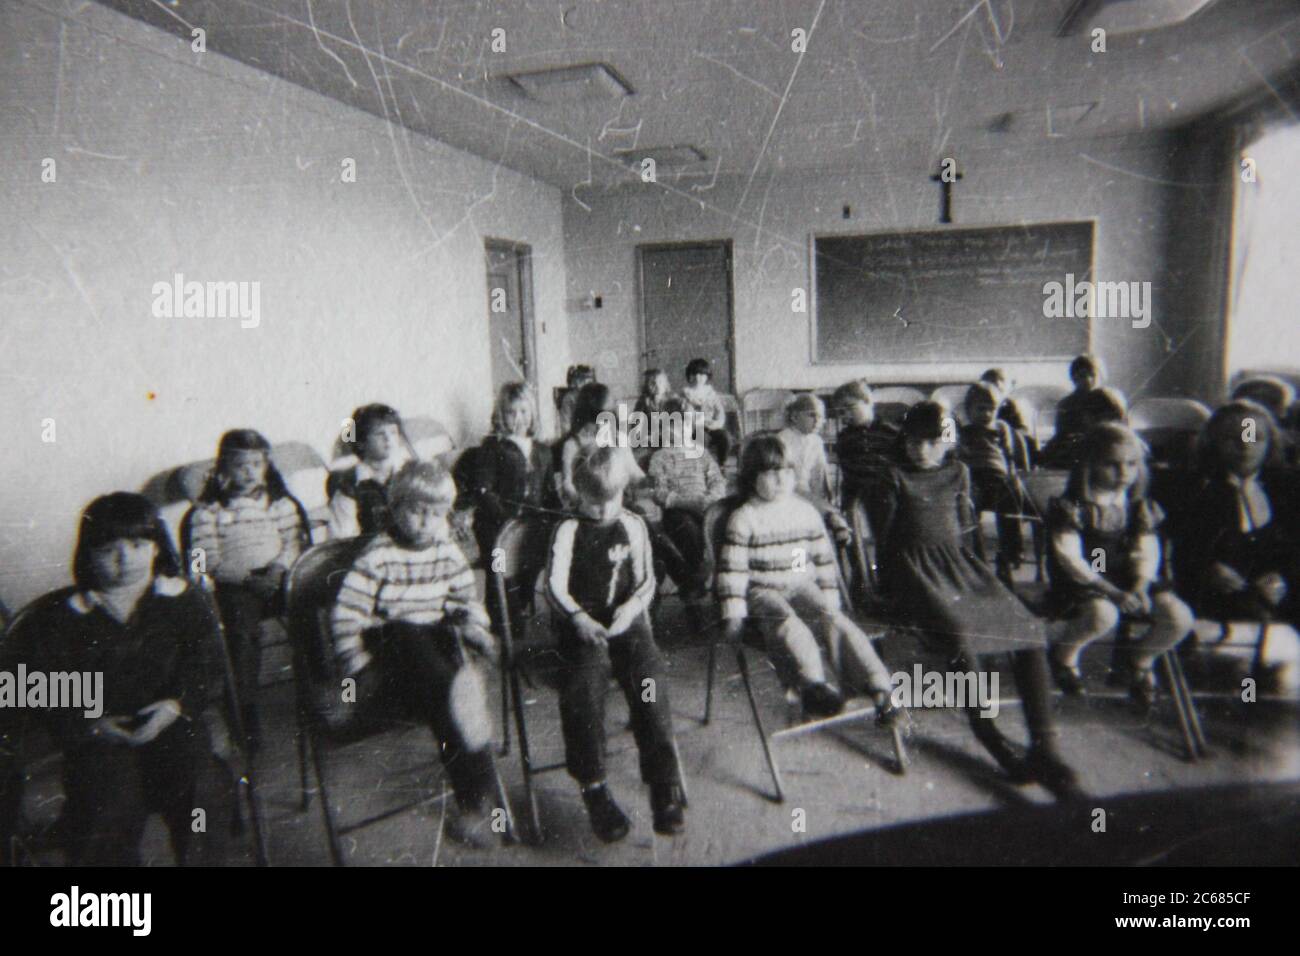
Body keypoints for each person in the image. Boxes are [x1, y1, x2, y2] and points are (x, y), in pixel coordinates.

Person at [0, 493, 230, 865]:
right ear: (87, 555)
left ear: (157, 547)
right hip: (100, 736)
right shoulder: (66, 617)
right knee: (106, 806)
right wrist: (90, 723)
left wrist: (176, 705)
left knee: (201, 791)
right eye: (108, 549)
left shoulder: (181, 599)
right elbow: (40, 685)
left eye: (138, 545)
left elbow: (205, 664)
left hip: (170, 723)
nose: (124, 561)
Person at [868, 402, 1082, 799]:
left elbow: (969, 531)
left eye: (933, 442)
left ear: (947, 443)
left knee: (1027, 627)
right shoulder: (892, 476)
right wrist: (887, 591)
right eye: (915, 441)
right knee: (962, 632)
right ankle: (989, 732)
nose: (923, 450)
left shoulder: (959, 472)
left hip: (962, 566)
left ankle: (1045, 748)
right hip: (914, 571)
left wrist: (987, 578)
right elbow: (884, 541)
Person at [330, 461, 503, 847]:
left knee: (450, 688)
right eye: (415, 511)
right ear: (394, 508)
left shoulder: (447, 552)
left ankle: (476, 807)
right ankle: (458, 693)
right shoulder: (377, 556)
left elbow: (466, 600)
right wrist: (357, 670)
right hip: (389, 657)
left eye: (435, 513)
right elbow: (345, 618)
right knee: (407, 631)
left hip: (432, 662)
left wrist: (476, 626)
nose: (425, 522)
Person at [545, 447, 686, 841]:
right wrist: (579, 618)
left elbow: (646, 581)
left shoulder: (634, 524)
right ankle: (594, 786)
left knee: (649, 682)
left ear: (624, 491)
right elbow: (553, 586)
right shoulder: (568, 529)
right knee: (583, 690)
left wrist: (631, 610)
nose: (604, 511)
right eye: (594, 502)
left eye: (613, 500)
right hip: (582, 627)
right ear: (579, 495)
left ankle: (663, 783)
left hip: (626, 620)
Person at [717, 436, 901, 723]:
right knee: (787, 622)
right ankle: (813, 685)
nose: (781, 479)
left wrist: (829, 599)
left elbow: (822, 560)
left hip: (801, 583)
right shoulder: (744, 517)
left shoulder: (804, 512)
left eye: (788, 472)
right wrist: (734, 614)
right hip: (763, 588)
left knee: (835, 619)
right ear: (752, 477)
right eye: (771, 472)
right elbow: (733, 570)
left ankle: (880, 689)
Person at [1044, 423, 1194, 708]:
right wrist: (1113, 593)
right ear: (1089, 466)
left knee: (1179, 617)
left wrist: (1139, 586)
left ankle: (1138, 660)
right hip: (1086, 580)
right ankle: (1064, 655)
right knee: (1104, 615)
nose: (1124, 473)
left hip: (1128, 577)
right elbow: (1070, 559)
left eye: (1131, 464)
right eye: (1111, 465)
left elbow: (1146, 550)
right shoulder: (1070, 506)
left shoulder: (1138, 505)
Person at [181, 429, 309, 749]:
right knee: (240, 633)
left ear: (266, 466)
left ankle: (320, 690)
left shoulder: (280, 503)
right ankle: (244, 708)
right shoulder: (207, 511)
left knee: (308, 611)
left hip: (279, 577)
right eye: (240, 465)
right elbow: (206, 558)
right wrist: (249, 579)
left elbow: (294, 542)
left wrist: (279, 570)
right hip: (237, 584)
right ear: (222, 469)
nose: (249, 471)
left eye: (256, 463)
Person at [1171, 401, 1296, 628]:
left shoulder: (1288, 488)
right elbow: (1182, 545)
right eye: (1232, 438)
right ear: (1213, 442)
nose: (1245, 447)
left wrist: (1285, 577)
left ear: (1271, 443)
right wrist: (1207, 569)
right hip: (1215, 596)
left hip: (1280, 597)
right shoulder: (1192, 488)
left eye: (1255, 438)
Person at [454, 383, 555, 640]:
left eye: (524, 411)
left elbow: (549, 492)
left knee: (536, 559)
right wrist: (508, 520)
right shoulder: (492, 448)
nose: (518, 419)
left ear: (532, 413)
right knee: (499, 567)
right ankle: (501, 613)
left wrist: (559, 516)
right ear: (500, 414)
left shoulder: (542, 451)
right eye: (511, 412)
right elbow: (483, 491)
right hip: (496, 525)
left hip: (532, 525)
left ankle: (520, 603)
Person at [647, 396, 726, 613]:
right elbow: (659, 492)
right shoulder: (660, 457)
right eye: (669, 424)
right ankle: (694, 585)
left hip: (707, 506)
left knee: (723, 527)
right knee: (688, 531)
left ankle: (699, 585)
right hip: (678, 510)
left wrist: (709, 500)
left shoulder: (701, 453)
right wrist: (687, 502)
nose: (676, 429)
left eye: (682, 423)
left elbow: (718, 481)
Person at [958, 383, 1030, 582]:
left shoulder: (1002, 428)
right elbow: (955, 455)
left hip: (998, 479)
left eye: (993, 408)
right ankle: (976, 557)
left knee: (1012, 499)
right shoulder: (964, 431)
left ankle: (1009, 554)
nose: (988, 413)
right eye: (981, 408)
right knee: (969, 506)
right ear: (969, 410)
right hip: (973, 479)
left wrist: (1012, 476)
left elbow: (1010, 457)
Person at [326, 403, 413, 538]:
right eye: (379, 434)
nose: (388, 439)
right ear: (361, 442)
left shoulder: (410, 473)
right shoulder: (349, 484)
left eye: (393, 432)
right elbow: (343, 537)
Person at [1040, 354, 1127, 468]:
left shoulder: (1111, 398)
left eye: (1092, 375)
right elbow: (1061, 434)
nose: (1087, 380)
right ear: (1073, 378)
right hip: (1076, 448)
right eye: (1081, 375)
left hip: (1105, 446)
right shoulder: (1066, 403)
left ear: (1101, 377)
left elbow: (1121, 429)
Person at [681, 357, 730, 466]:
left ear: (707, 376)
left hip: (710, 426)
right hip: (694, 426)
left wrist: (717, 423)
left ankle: (721, 465)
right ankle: (700, 466)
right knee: (701, 439)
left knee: (724, 437)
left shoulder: (710, 393)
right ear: (690, 376)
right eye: (696, 374)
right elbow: (687, 415)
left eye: (703, 374)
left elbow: (719, 411)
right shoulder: (686, 394)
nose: (699, 378)